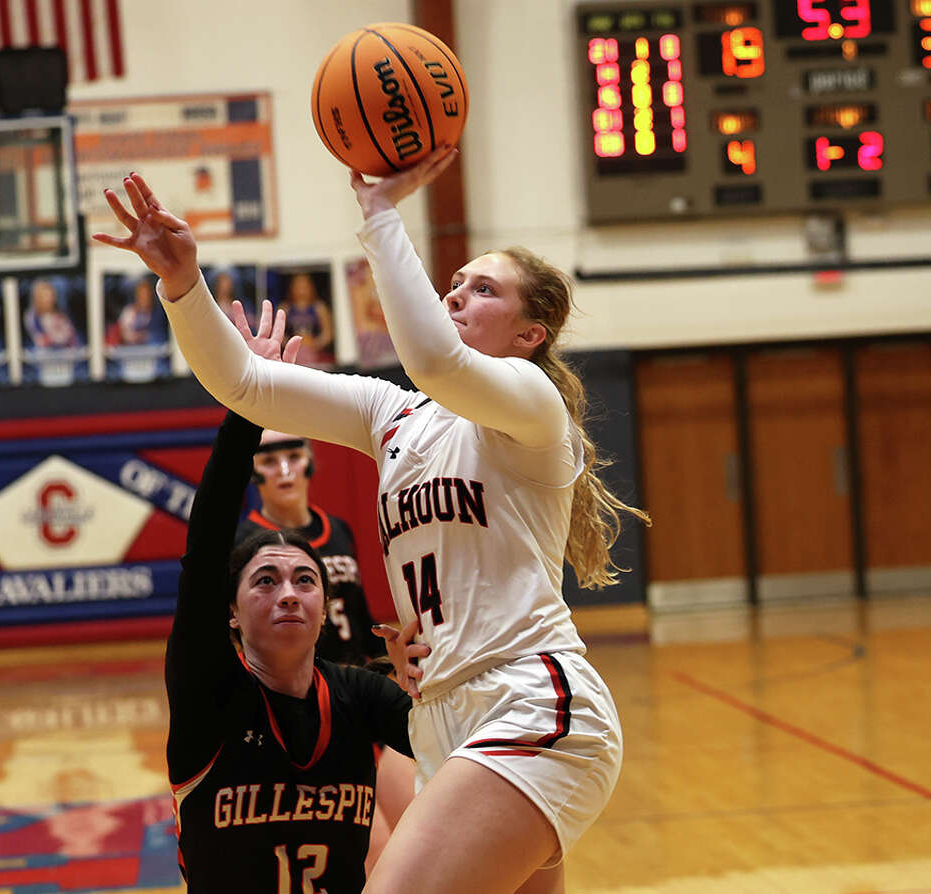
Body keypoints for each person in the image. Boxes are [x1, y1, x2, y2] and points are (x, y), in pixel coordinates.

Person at [96, 152, 648, 893]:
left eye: (483, 288)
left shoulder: (534, 409)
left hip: (529, 704)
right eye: (454, 283)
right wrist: (180, 284)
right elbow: (246, 384)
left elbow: (434, 359)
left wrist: (381, 211)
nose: (456, 294)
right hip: (443, 718)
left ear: (530, 334)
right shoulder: (395, 416)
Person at [163, 319, 423, 893]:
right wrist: (248, 398)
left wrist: (431, 685)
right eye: (264, 582)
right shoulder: (208, 694)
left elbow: (459, 748)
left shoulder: (361, 696)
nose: (287, 592)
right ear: (229, 611)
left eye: (305, 580)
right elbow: (205, 545)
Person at [237, 430, 383, 666]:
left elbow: (360, 614)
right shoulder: (243, 542)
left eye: (294, 456)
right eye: (269, 461)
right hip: (294, 681)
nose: (284, 471)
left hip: (353, 678)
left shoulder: (337, 529)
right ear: (253, 472)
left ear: (310, 463)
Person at [279, 271, 334, 367]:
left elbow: (328, 334)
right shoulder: (285, 308)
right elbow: (278, 335)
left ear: (311, 288)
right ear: (292, 289)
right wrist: (292, 344)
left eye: (304, 287)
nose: (301, 291)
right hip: (292, 355)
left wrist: (314, 344)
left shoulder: (319, 308)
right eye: (298, 287)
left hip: (315, 355)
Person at [24, 278, 80, 350]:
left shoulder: (60, 313)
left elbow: (70, 334)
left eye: (51, 295)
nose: (49, 299)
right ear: (38, 297)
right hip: (44, 356)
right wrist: (56, 338)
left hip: (66, 354)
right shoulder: (32, 316)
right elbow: (40, 340)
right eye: (45, 296)